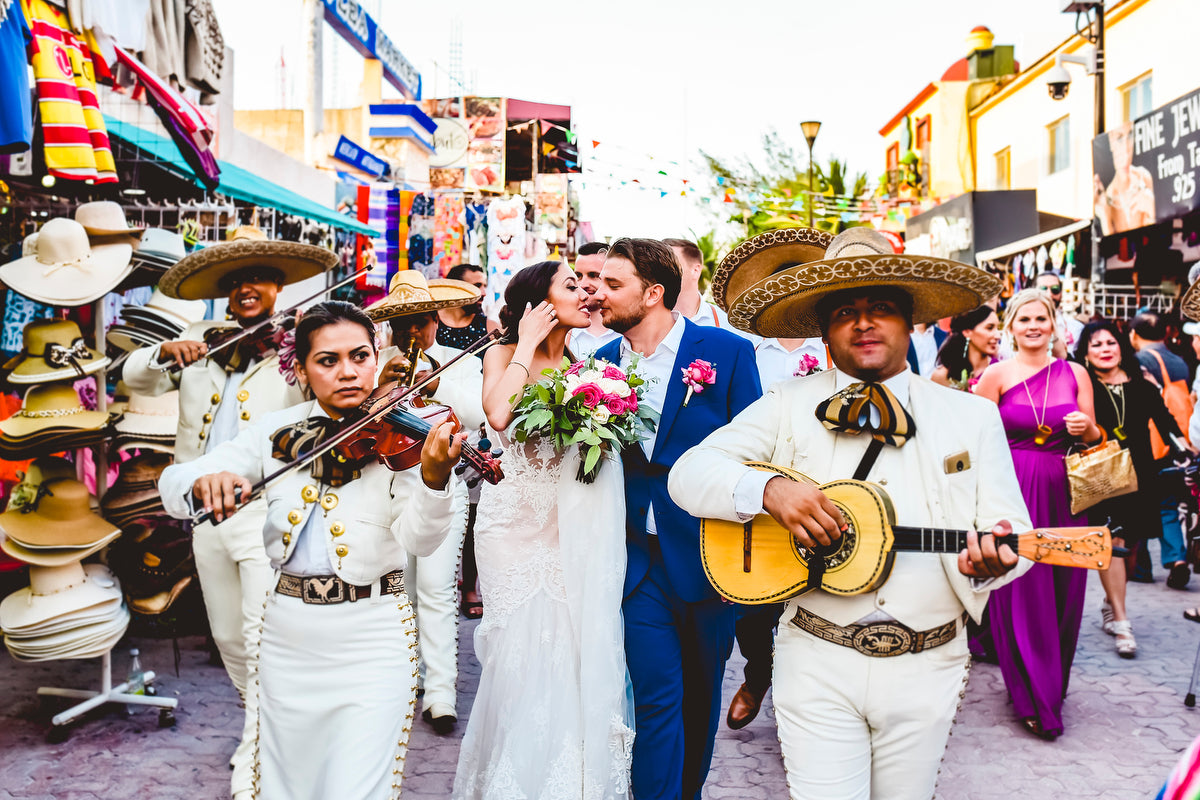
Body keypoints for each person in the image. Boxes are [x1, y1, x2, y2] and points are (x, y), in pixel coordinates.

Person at [669, 226, 1029, 800]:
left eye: (881, 307)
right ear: (825, 329)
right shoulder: (787, 404)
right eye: (845, 311)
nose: (863, 323)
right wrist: (766, 488)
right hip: (815, 658)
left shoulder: (971, 417)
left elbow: (1016, 533)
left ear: (908, 321)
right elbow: (688, 474)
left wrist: (995, 563)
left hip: (930, 660)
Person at [158, 301, 463, 800]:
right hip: (288, 638)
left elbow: (420, 542)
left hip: (373, 636)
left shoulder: (403, 433)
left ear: (376, 356)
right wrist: (205, 480)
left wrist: (433, 480)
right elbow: (174, 481)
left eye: (360, 356)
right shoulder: (274, 432)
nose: (348, 372)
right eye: (328, 360)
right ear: (300, 369)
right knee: (285, 788)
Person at [122, 225, 332, 800]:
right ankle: (262, 726)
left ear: (277, 287)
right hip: (203, 514)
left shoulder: (296, 344)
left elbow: (329, 402)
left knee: (265, 634)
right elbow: (131, 375)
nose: (247, 288)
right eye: (236, 280)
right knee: (229, 638)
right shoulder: (199, 337)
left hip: (268, 507)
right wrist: (164, 352)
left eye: (259, 278)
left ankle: (258, 749)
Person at [453, 260, 634, 799]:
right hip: (512, 530)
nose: (586, 292)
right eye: (571, 285)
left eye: (586, 284)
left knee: (571, 653)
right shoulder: (503, 354)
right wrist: (527, 342)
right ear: (540, 300)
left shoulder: (586, 366)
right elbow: (500, 416)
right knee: (521, 659)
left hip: (570, 528)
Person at [593, 238, 762, 800]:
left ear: (654, 292)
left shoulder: (727, 354)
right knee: (655, 696)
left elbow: (755, 455)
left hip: (709, 559)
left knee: (700, 698)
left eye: (613, 285)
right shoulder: (599, 367)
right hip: (638, 564)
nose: (598, 293)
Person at [974, 288, 1102, 740]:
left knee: (1066, 593)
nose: (1033, 326)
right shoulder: (995, 375)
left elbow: (1095, 435)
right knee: (1023, 592)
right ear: (1011, 326)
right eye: (1024, 319)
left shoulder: (1076, 372)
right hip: (1014, 490)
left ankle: (1053, 685)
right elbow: (974, 440)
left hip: (1065, 490)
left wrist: (1087, 429)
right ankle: (1031, 697)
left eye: (1041, 319)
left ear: (1053, 325)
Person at [368, 270, 484, 735]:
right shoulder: (374, 361)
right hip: (388, 489)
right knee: (399, 589)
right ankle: (408, 676)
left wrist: (436, 387)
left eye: (422, 321)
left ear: (437, 320)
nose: (413, 332)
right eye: (403, 324)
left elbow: (478, 415)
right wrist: (380, 384)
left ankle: (441, 692)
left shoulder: (460, 362)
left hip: (442, 485)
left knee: (436, 589)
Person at [725, 335, 830, 733]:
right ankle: (758, 674)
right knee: (751, 610)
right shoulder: (745, 348)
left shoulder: (833, 350)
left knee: (814, 604)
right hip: (759, 498)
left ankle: (805, 706)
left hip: (822, 491)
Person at [1075, 320, 1185, 658]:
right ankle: (1122, 622)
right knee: (1113, 543)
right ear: (1086, 353)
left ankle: (1111, 602)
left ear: (1122, 346)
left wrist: (1186, 449)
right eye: (1096, 344)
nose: (1105, 349)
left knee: (1131, 542)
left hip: (1141, 474)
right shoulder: (1084, 386)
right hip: (1103, 474)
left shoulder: (1143, 385)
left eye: (1111, 342)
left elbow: (1167, 424)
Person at [1130, 310, 1194, 589]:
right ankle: (1177, 559)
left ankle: (1141, 566)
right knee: (1169, 503)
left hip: (1152, 442)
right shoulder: (1179, 360)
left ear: (1134, 334)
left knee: (1141, 501)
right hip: (1177, 442)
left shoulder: (1140, 361)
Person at [664, 236, 759, 343]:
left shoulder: (729, 324)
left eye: (671, 264)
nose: (661, 270)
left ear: (695, 270)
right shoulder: (648, 322)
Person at [1094, 121, 1156, 237]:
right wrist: (1105, 219)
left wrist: (1152, 208)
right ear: (1111, 142)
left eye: (1130, 135)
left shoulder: (1143, 177)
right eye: (1119, 138)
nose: (1126, 148)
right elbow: (1112, 250)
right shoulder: (1109, 199)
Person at [568, 241, 622, 357]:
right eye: (579, 276)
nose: (583, 284)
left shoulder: (628, 331)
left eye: (594, 275)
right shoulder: (566, 332)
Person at [931, 305, 1001, 391]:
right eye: (989, 328)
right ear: (967, 332)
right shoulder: (942, 376)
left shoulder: (1001, 371)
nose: (998, 336)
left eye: (998, 328)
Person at [436, 264, 492, 351]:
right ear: (456, 288)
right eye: (477, 286)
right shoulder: (430, 322)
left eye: (484, 286)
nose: (484, 293)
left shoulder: (490, 327)